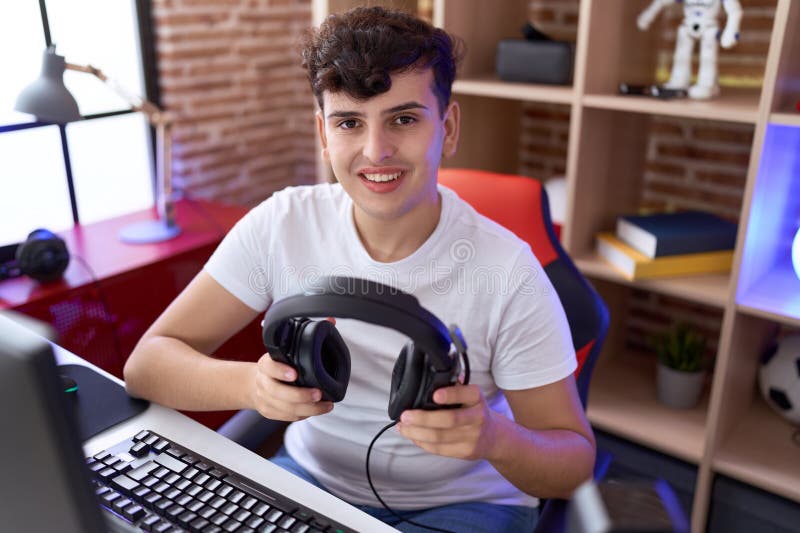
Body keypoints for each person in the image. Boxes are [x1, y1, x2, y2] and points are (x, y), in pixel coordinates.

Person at [124, 6, 595, 532]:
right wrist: (251, 387)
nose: (376, 151)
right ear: (324, 135)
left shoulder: (507, 270)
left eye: (404, 119)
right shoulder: (282, 223)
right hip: (310, 483)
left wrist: (493, 438)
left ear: (450, 126)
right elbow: (147, 365)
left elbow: (573, 463)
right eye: (350, 122)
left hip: (461, 507)